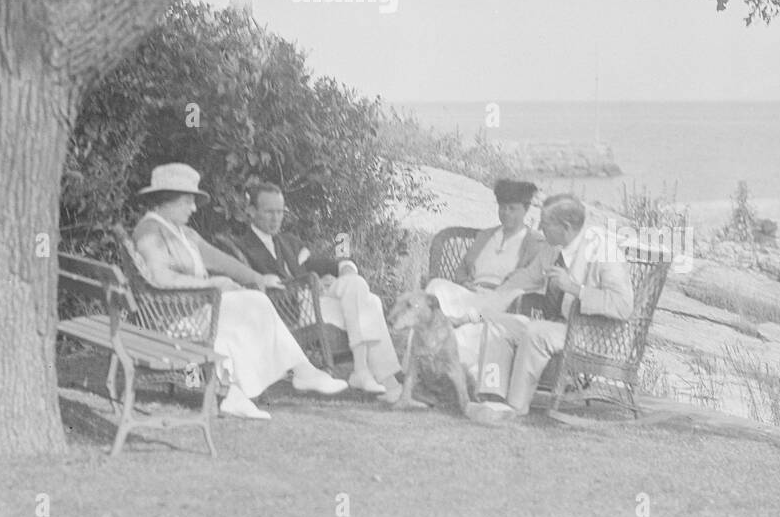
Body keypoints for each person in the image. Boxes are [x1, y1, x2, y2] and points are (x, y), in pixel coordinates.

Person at [133, 164, 348, 421]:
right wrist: (213, 284)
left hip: (195, 311)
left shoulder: (184, 233)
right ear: (166, 200)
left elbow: (223, 261)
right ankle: (299, 372)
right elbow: (160, 279)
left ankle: (237, 394)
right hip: (171, 320)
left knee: (250, 307)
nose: (193, 208)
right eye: (187, 201)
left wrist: (258, 278)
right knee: (252, 303)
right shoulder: (150, 231)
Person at [233, 182, 403, 401]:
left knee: (359, 288)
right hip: (290, 312)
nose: (276, 219)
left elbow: (325, 263)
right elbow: (258, 287)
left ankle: (365, 372)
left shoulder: (289, 241)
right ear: (251, 211)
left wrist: (346, 269)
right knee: (370, 303)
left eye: (280, 212)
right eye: (269, 212)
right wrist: (312, 284)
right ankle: (382, 380)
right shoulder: (242, 247)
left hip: (315, 305)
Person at [491, 193, 634, 419]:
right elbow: (528, 277)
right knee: (498, 324)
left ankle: (515, 407)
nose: (539, 228)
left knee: (535, 332)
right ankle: (491, 396)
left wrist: (574, 288)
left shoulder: (603, 250)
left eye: (545, 224)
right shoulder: (554, 247)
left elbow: (623, 305)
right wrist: (493, 297)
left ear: (566, 227)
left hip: (594, 333)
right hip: (561, 327)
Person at [427, 178, 546, 323]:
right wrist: (465, 282)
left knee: (508, 298)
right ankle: (442, 323)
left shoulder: (534, 243)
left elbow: (530, 281)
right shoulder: (485, 235)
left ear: (525, 209)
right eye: (502, 207)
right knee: (437, 285)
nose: (506, 213)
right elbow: (462, 268)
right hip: (472, 293)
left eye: (512, 208)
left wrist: (498, 291)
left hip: (501, 300)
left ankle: (463, 320)